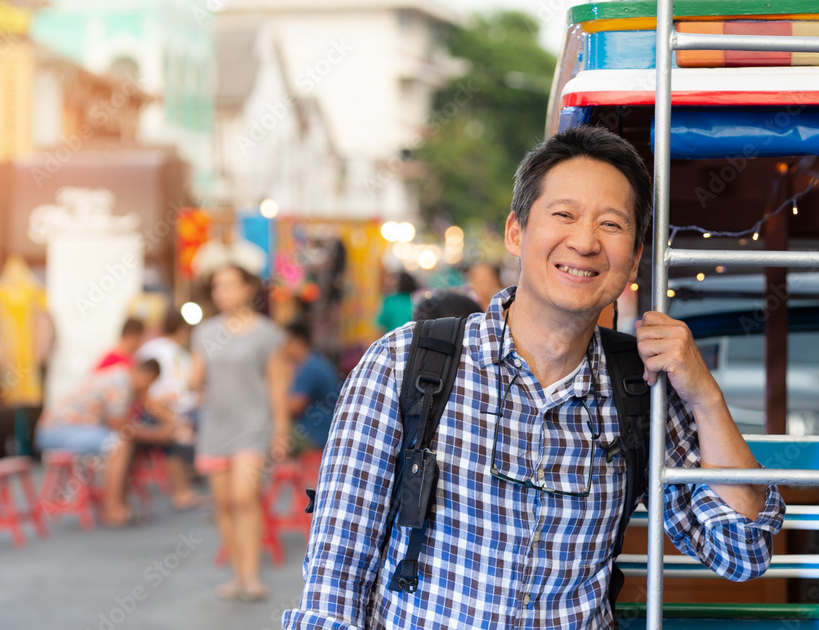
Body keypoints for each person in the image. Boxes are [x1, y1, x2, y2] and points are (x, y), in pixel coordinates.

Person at [283, 126, 785, 629]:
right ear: (516, 232)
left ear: (633, 259)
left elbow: (741, 553)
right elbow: (335, 579)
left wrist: (705, 396)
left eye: (611, 224)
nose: (585, 242)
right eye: (563, 214)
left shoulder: (641, 386)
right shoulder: (403, 365)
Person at [190, 264, 288, 602]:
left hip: (253, 426)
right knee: (224, 505)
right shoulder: (204, 332)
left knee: (244, 498)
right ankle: (237, 575)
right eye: (218, 286)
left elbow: (277, 385)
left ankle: (252, 575)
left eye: (230, 285)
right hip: (215, 427)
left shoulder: (267, 334)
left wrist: (281, 431)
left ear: (248, 288)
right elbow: (196, 378)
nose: (223, 292)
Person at [36, 358, 165, 527]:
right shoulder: (121, 382)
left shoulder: (121, 377)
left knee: (123, 441)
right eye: (148, 383)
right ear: (145, 375)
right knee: (118, 443)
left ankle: (119, 504)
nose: (146, 388)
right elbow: (118, 425)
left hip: (66, 428)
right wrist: (156, 435)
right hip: (57, 430)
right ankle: (113, 509)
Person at [135, 307, 202, 510]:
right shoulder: (177, 352)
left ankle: (185, 485)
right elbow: (183, 390)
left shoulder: (149, 347)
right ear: (183, 329)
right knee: (176, 436)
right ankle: (182, 491)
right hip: (156, 411)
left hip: (151, 408)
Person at [280, 321, 341, 454]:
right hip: (319, 431)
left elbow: (293, 407)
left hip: (316, 434)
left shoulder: (311, 368)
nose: (282, 347)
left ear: (298, 341)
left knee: (275, 430)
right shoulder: (313, 362)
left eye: (285, 341)